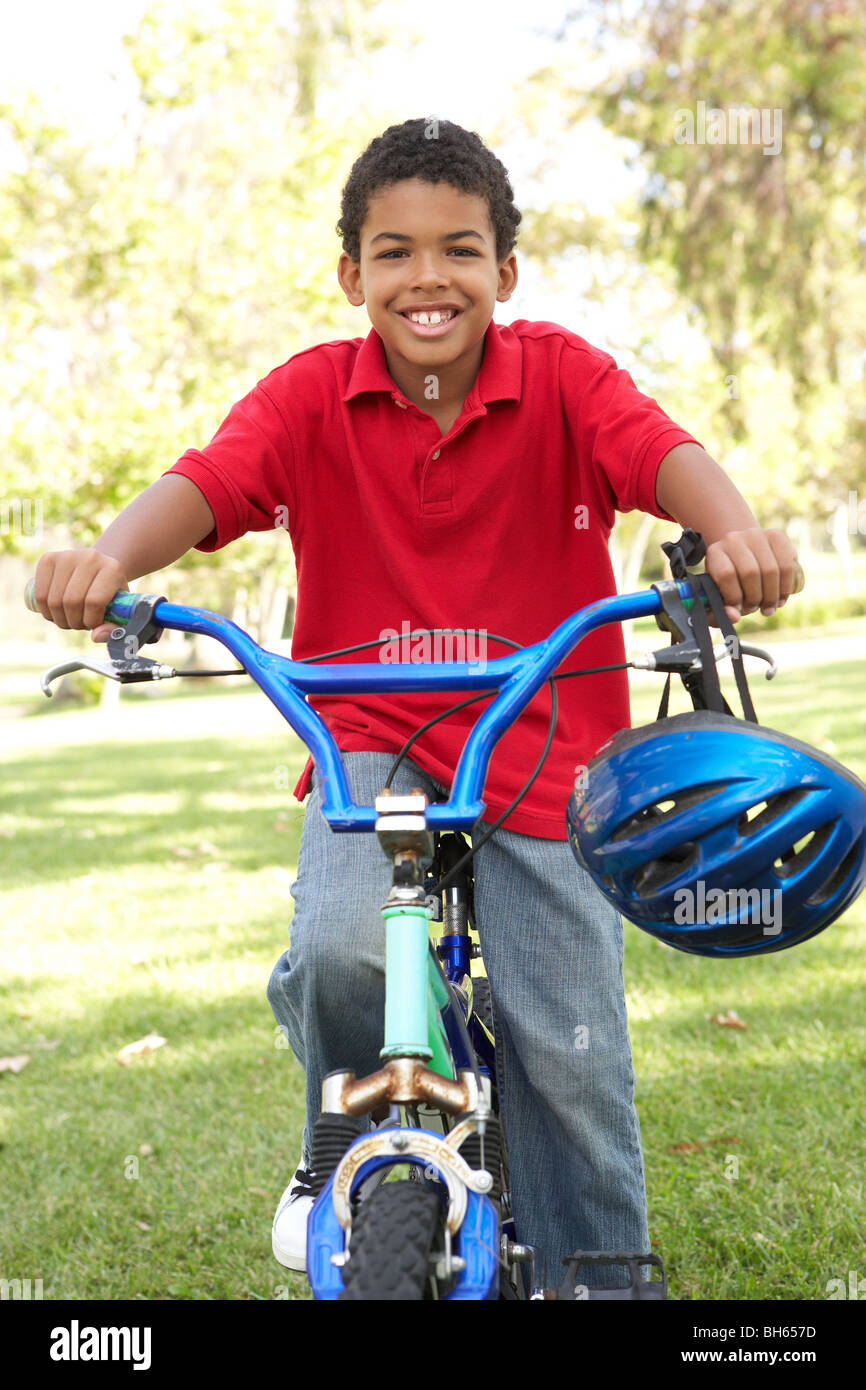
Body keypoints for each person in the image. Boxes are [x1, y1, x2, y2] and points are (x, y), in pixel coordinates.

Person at [32, 117, 799, 1292]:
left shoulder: (563, 378)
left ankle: (598, 1271)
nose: (426, 277)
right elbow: (207, 480)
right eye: (392, 252)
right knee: (339, 949)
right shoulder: (305, 398)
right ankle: (338, 1142)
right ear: (351, 275)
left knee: (566, 1048)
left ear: (506, 269)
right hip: (368, 739)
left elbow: (657, 455)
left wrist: (734, 530)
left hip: (542, 741)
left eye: (459, 249)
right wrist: (108, 559)